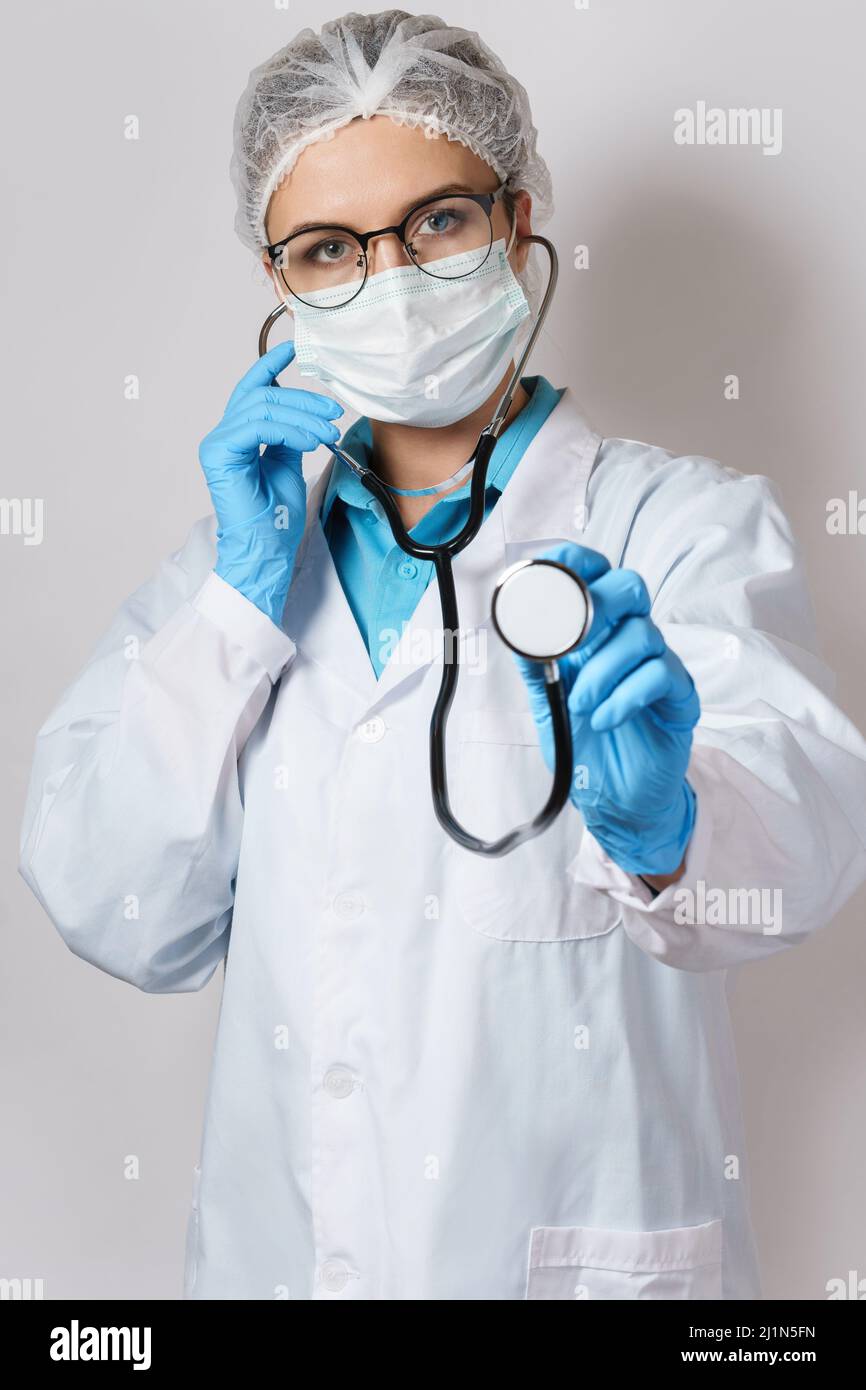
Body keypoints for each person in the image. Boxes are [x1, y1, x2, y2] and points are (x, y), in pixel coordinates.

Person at [19, 9, 866, 1301]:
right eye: (326, 249)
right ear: (279, 287)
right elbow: (112, 906)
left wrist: (672, 830)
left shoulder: (678, 526)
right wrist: (244, 607)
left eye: (436, 223)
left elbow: (805, 857)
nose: (392, 276)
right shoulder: (223, 578)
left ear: (518, 225)